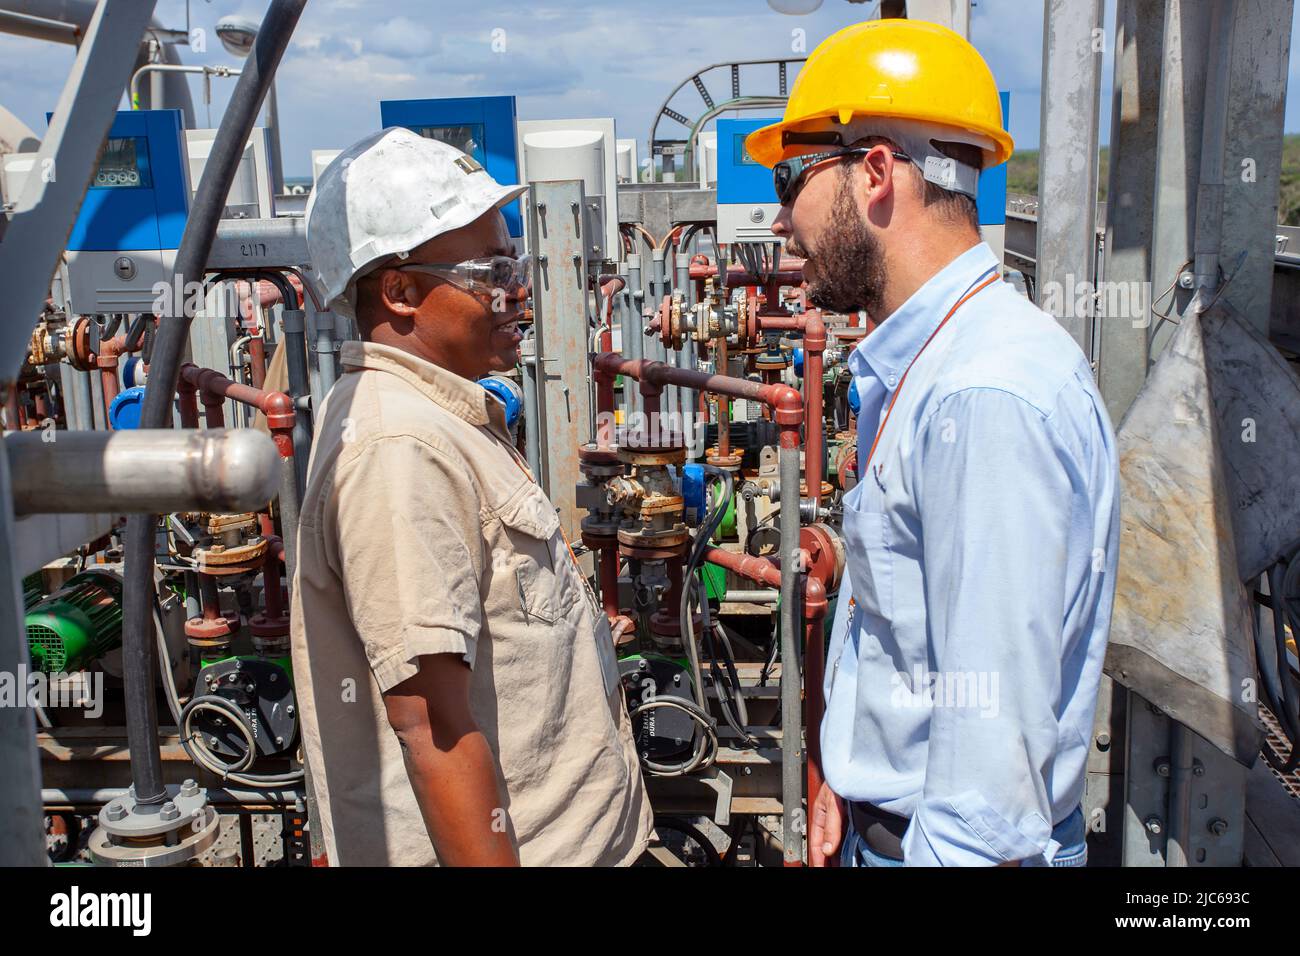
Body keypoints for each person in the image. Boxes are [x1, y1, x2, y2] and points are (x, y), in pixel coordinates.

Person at [746, 19, 1119, 866]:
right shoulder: (936, 359)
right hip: (888, 827)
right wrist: (848, 767)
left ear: (874, 171)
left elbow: (989, 780)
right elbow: (911, 632)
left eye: (790, 175)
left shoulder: (983, 395)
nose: (778, 219)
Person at [289, 127, 652, 866]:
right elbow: (431, 726)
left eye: (513, 262)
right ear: (400, 292)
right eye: (490, 270)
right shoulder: (400, 449)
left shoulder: (442, 417)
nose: (517, 288)